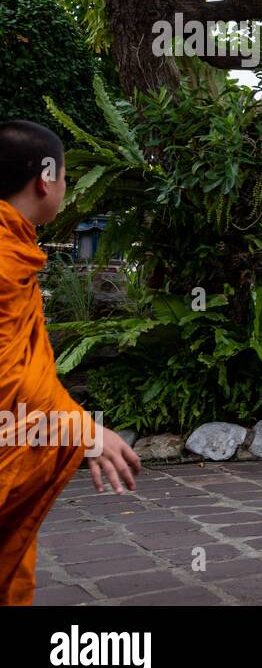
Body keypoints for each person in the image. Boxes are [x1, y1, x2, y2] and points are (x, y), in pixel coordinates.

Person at [0, 121, 140, 605]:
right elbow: (8, 378)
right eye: (63, 176)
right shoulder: (4, 257)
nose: (63, 187)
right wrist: (84, 430)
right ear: (44, 180)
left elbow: (26, 365)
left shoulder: (16, 250)